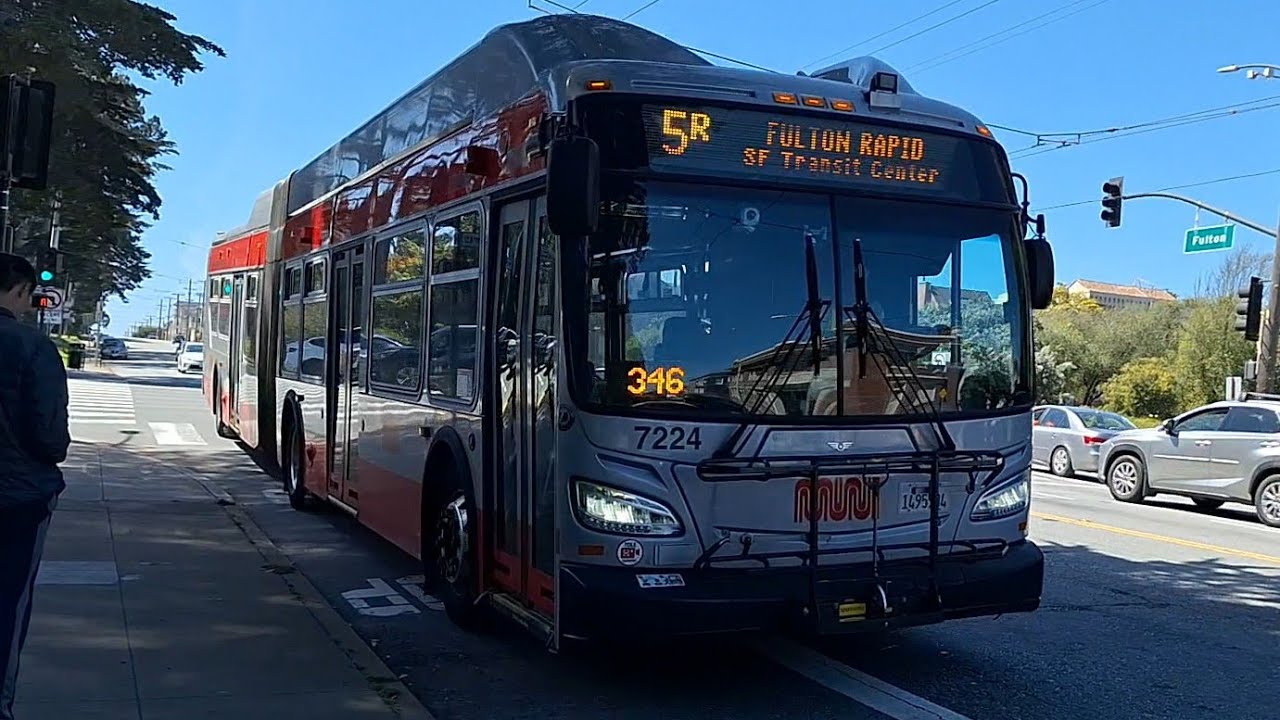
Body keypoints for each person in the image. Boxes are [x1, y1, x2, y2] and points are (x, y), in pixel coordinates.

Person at [0, 252, 70, 720]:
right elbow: (49, 438)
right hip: (17, 498)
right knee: (8, 603)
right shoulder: (32, 348)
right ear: (21, 291)